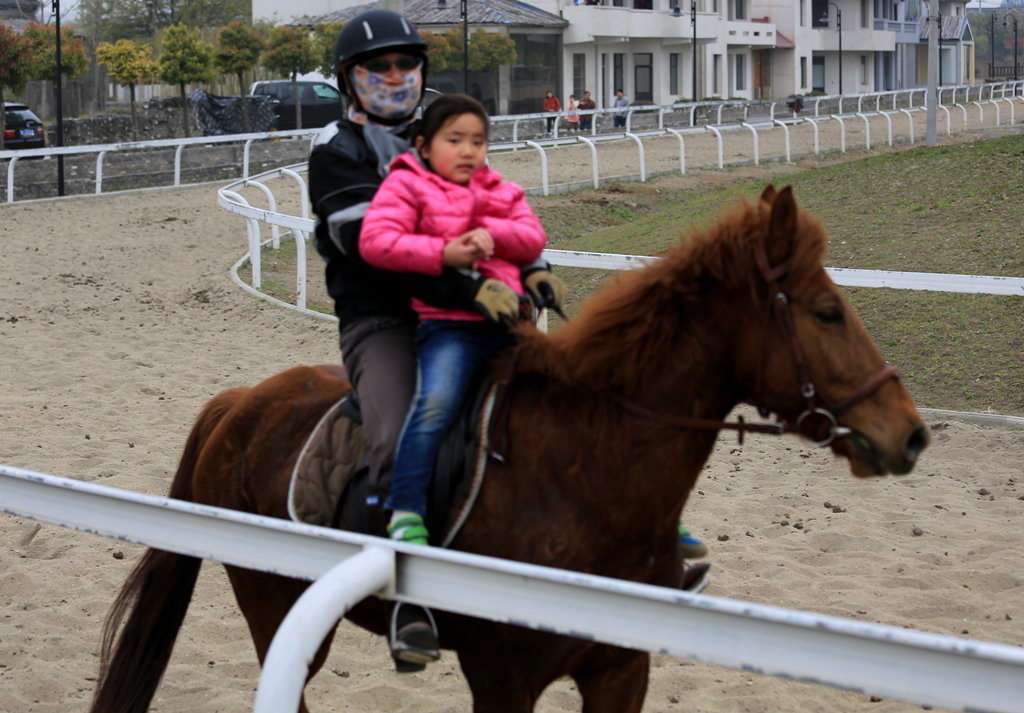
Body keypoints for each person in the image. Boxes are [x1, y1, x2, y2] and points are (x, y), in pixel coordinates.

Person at [307, 9, 565, 673]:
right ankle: (401, 594)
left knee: (572, 398)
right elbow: (374, 254)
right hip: (386, 319)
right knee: (395, 432)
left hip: (476, 312)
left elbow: (498, 219)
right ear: (350, 80)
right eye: (378, 68)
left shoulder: (445, 143)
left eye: (405, 64)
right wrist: (468, 288)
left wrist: (530, 270)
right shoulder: (335, 152)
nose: (396, 77)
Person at [359, 93, 547, 546]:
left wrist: (492, 234)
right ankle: (405, 509)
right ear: (424, 146)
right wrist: (444, 251)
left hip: (512, 327)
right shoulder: (406, 184)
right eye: (455, 139)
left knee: (580, 392)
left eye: (478, 142)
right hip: (451, 328)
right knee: (436, 404)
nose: (469, 151)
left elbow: (532, 237)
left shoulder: (500, 188)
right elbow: (377, 242)